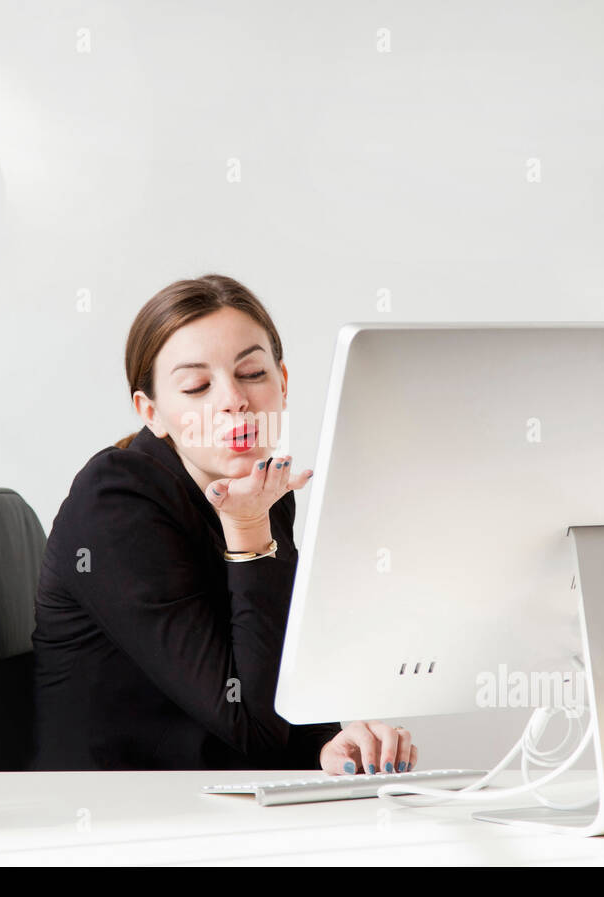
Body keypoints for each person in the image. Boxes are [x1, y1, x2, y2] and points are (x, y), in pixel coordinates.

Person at [31, 274, 418, 775]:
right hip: (120, 808)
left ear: (283, 382)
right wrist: (249, 530)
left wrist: (330, 741)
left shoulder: (260, 488)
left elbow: (270, 674)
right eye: (196, 386)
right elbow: (251, 726)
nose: (234, 399)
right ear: (153, 413)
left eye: (252, 373)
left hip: (221, 785)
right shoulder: (113, 501)